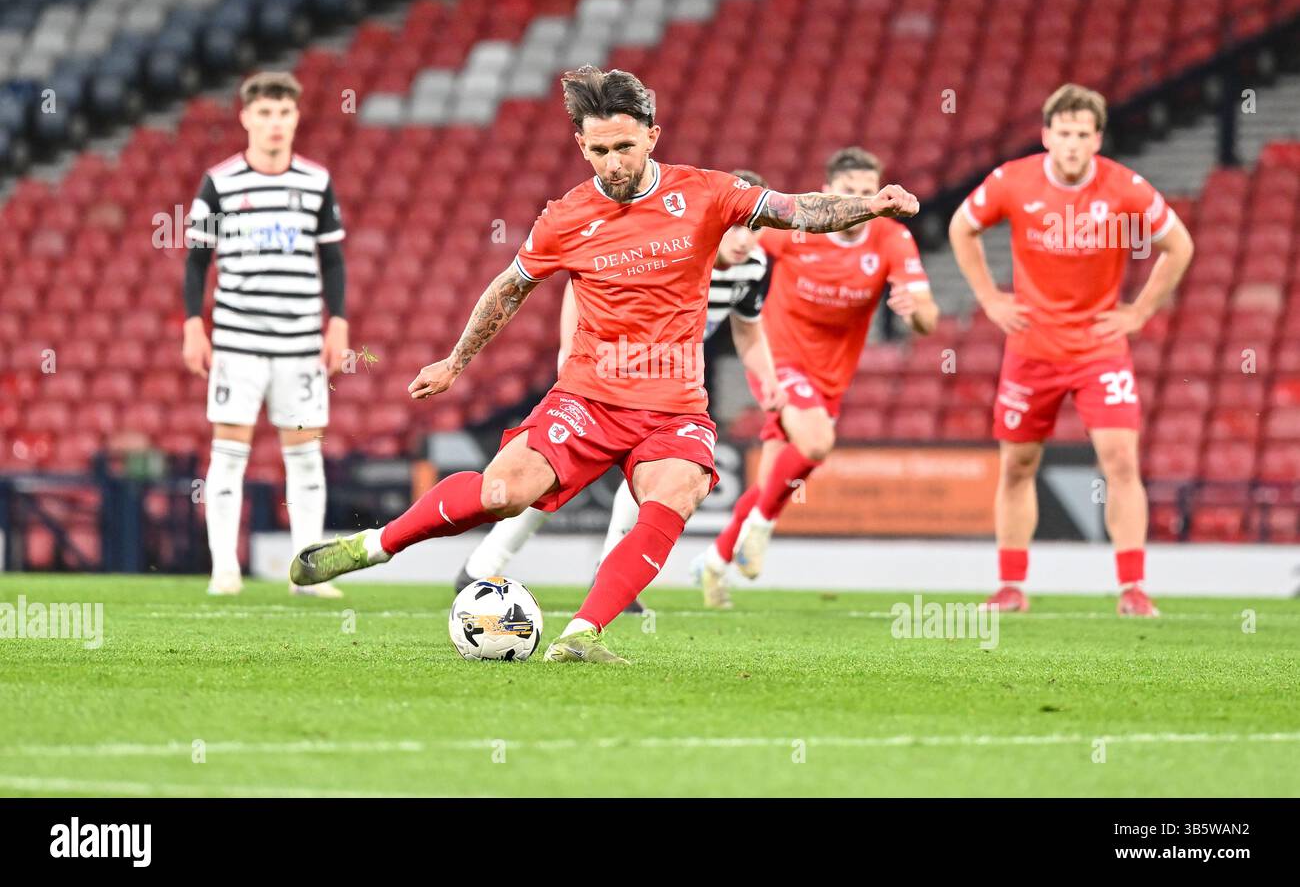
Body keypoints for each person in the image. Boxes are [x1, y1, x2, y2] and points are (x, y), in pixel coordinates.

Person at [291, 66, 918, 663]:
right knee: (503, 494)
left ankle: (581, 633)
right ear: (580, 146)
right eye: (598, 152)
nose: (612, 165)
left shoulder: (704, 192)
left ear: (652, 135)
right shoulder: (567, 215)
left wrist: (871, 207)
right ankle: (371, 546)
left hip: (673, 405)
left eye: (623, 147)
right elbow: (509, 288)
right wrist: (456, 362)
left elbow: (795, 210)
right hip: (588, 396)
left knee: (678, 489)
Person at [450, 170, 786, 613]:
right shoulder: (676, 240)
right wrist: (569, 353)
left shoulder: (754, 269)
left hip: (668, 383)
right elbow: (585, 285)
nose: (744, 240)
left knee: (650, 470)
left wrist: (768, 384)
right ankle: (485, 562)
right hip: (605, 369)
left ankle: (609, 570)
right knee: (553, 469)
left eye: (755, 228)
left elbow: (748, 332)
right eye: (737, 227)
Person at [948, 83, 1194, 616]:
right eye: (1064, 134)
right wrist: (990, 298)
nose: (1073, 145)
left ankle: (1132, 588)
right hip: (1030, 349)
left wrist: (1140, 312)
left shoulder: (1124, 187)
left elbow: (1180, 245)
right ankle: (1011, 586)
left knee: (1121, 462)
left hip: (1098, 349)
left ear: (1098, 138)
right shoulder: (1013, 180)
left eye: (1083, 135)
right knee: (1017, 466)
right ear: (1046, 135)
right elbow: (961, 227)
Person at [694, 147, 938, 605]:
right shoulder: (798, 229)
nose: (862, 202)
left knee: (771, 481)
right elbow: (735, 242)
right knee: (818, 443)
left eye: (870, 192)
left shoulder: (890, 238)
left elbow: (928, 318)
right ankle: (763, 526)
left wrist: (914, 313)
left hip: (832, 376)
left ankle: (714, 561)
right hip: (779, 359)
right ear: (827, 193)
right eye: (850, 193)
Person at [182, 71, 349, 598]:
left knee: (304, 454)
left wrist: (338, 322)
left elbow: (333, 259)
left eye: (284, 113)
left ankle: (308, 574)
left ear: (296, 117)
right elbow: (196, 261)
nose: (275, 123)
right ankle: (224, 569)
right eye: (265, 113)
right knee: (228, 452)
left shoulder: (316, 182)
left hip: (300, 342)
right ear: (246, 117)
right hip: (236, 340)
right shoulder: (220, 181)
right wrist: (193, 325)